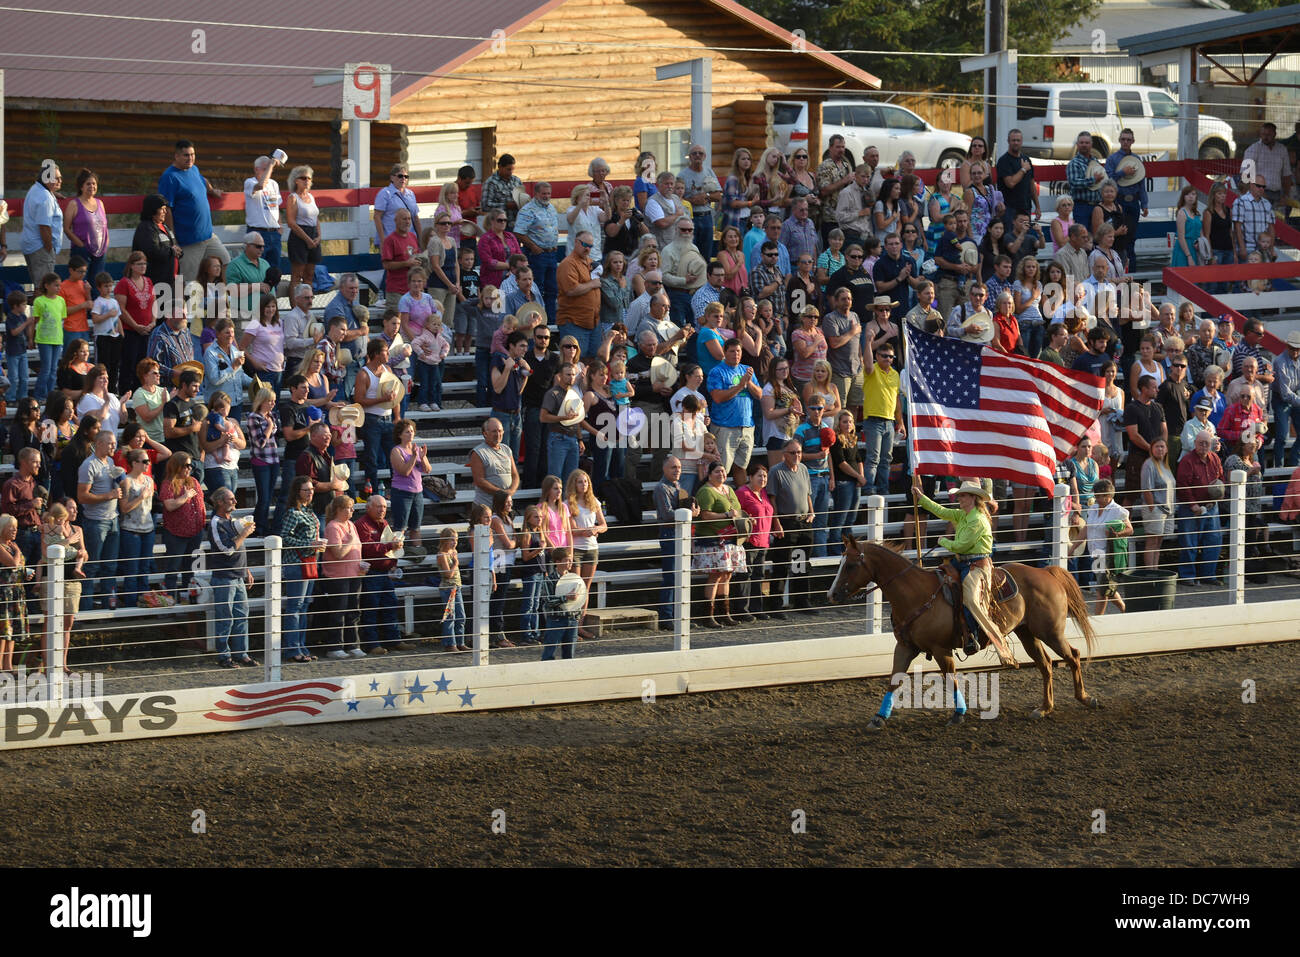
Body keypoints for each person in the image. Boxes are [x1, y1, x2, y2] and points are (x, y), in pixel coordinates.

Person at [910, 477, 1000, 656]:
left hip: (976, 563)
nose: (960, 499)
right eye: (959, 496)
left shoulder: (978, 520)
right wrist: (921, 498)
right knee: (937, 585)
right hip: (962, 561)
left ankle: (973, 635)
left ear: (973, 498)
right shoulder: (963, 514)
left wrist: (943, 541)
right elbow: (941, 511)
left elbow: (961, 546)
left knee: (970, 598)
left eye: (964, 496)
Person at [160, 140, 228, 288]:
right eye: (186, 155)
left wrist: (211, 190)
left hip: (208, 236)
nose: (190, 158)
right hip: (188, 241)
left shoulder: (194, 169)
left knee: (226, 262)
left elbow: (202, 180)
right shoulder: (169, 177)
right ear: (176, 156)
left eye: (192, 154)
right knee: (189, 281)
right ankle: (187, 310)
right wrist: (173, 239)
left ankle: (218, 303)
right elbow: (167, 209)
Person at [691, 460, 748, 628]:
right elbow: (705, 516)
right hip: (713, 540)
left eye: (723, 471)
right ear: (709, 474)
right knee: (715, 576)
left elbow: (736, 511)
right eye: (717, 472)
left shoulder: (729, 489)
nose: (721, 474)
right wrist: (726, 515)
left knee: (727, 575)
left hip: (731, 539)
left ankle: (725, 613)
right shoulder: (706, 491)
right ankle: (708, 615)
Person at [355, 495, 413, 656]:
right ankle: (372, 644)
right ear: (369, 508)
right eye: (378, 507)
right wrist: (390, 545)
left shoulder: (384, 524)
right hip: (371, 573)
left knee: (390, 606)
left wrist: (393, 564)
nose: (382, 510)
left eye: (384, 507)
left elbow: (387, 549)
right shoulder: (362, 525)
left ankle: (393, 640)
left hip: (384, 572)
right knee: (371, 609)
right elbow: (368, 550)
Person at [206, 487, 256, 668]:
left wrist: (246, 570)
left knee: (241, 616)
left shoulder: (231, 521)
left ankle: (241, 653)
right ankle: (224, 656)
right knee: (226, 618)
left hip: (236, 575)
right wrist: (243, 534)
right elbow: (227, 550)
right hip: (224, 577)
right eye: (231, 499)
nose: (235, 502)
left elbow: (239, 549)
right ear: (220, 502)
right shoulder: (215, 523)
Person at [76, 430, 122, 610]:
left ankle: (107, 607)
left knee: (110, 567)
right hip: (95, 522)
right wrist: (109, 495)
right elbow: (82, 497)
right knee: (92, 567)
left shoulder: (110, 462)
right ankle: (86, 610)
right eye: (110, 443)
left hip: (113, 519)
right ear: (99, 444)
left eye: (115, 443)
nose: (114, 446)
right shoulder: (88, 465)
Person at [767, 440, 815, 612]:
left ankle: (802, 601)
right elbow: (772, 499)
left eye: (799, 452)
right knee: (781, 564)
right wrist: (777, 522)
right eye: (793, 453)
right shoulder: (776, 471)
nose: (797, 456)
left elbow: (808, 494)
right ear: (784, 454)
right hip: (786, 522)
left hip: (804, 522)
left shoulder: (803, 469)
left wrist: (811, 511)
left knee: (801, 563)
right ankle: (775, 605)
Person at [39, 501, 86, 672]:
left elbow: (85, 551)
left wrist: (82, 555)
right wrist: (68, 541)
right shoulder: (48, 527)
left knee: (68, 623)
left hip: (71, 580)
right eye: (71, 507)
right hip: (50, 578)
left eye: (76, 507)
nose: (75, 510)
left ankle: (63, 664)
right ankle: (46, 664)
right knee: (49, 621)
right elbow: (46, 552)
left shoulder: (78, 530)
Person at [279, 475, 322, 663]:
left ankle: (301, 646)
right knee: (295, 607)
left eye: (311, 489)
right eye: (307, 490)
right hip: (296, 562)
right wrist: (309, 543)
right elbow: (284, 538)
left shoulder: (309, 512)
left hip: (309, 560)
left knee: (303, 607)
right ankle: (292, 648)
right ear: (298, 492)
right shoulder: (293, 513)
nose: (311, 493)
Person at [317, 494, 364, 659]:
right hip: (338, 576)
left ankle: (353, 644)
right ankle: (335, 645)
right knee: (339, 611)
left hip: (354, 573)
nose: (352, 510)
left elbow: (357, 549)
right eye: (348, 507)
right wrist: (350, 542)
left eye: (352, 507)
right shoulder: (333, 527)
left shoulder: (351, 524)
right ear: (339, 509)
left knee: (353, 610)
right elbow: (338, 553)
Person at [1176, 430, 1224, 587]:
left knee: (1213, 542)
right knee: (1189, 543)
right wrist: (1192, 504)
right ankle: (1187, 575)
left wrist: (1221, 492)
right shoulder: (1187, 461)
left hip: (1211, 506)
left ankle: (1208, 575)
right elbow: (1182, 486)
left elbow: (1220, 478)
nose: (1204, 446)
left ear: (1211, 445)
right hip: (1191, 508)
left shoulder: (1215, 458)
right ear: (1195, 444)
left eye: (1207, 443)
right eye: (1201, 443)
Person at [159, 453, 205, 603]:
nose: (189, 468)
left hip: (195, 532)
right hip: (175, 533)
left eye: (190, 465)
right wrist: (185, 497)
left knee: (190, 569)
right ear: (177, 466)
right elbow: (169, 505)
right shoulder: (168, 483)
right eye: (186, 465)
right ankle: (170, 600)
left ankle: (188, 599)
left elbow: (201, 503)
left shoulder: (194, 481)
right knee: (173, 569)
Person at [565, 471, 606, 641]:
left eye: (586, 482)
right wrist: (586, 531)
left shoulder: (594, 502)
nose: (584, 485)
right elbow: (572, 528)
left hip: (591, 548)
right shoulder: (568, 503)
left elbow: (604, 525)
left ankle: (580, 626)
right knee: (574, 588)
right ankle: (571, 626)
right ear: (574, 484)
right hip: (577, 548)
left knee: (586, 588)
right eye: (580, 482)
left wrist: (596, 529)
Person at [1081, 479, 1131, 615]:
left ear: (1108, 496)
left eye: (1098, 496)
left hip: (1108, 554)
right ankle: (1125, 609)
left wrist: (1117, 534)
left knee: (1102, 590)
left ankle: (1099, 619)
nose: (1095, 499)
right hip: (1096, 553)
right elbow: (1086, 529)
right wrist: (1073, 547)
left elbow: (1130, 529)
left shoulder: (1118, 511)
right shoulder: (1093, 509)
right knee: (1106, 586)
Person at [0, 514, 31, 675]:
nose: (14, 530)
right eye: (11, 527)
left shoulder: (12, 546)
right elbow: (12, 563)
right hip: (4, 594)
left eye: (16, 527)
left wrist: (26, 573)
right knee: (2, 631)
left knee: (11, 632)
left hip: (16, 592)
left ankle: (8, 666)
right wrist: (18, 551)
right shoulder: (2, 547)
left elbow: (18, 566)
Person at [1138, 438, 1176, 570]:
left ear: (1166, 450)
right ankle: (1149, 572)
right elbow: (1147, 489)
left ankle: (1155, 570)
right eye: (1157, 447)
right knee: (1152, 542)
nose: (1160, 449)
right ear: (1152, 449)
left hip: (1167, 509)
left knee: (1158, 543)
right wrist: (1152, 508)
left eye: (1162, 447)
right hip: (1155, 509)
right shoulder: (1149, 465)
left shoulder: (1165, 465)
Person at [243, 154, 284, 270]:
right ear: (256, 169)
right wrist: (272, 163)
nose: (269, 171)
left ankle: (272, 288)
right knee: (256, 268)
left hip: (273, 232)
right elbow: (260, 185)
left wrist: (279, 226)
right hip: (257, 232)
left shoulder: (274, 184)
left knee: (274, 269)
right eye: (265, 169)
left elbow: (276, 206)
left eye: (270, 169)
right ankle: (258, 289)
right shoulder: (249, 182)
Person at [284, 165, 321, 291]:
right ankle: (295, 307)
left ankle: (306, 305)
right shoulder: (293, 198)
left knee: (309, 275)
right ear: (296, 180)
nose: (307, 181)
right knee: (297, 275)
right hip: (299, 236)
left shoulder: (311, 197)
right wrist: (307, 240)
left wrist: (319, 237)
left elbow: (316, 218)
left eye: (309, 178)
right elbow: (291, 223)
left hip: (313, 234)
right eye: (303, 178)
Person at [1243, 121, 1293, 207]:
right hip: (1258, 194)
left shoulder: (1282, 150)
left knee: (1277, 219)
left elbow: (1286, 175)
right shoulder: (1252, 149)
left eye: (1268, 135)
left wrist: (1286, 195)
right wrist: (1256, 192)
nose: (1265, 137)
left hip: (1278, 194)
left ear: (1275, 134)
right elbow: (1244, 176)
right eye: (1263, 134)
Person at [1271, 330, 1300, 470]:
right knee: (1281, 436)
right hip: (1281, 399)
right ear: (1287, 346)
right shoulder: (1279, 362)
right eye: (1292, 348)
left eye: (1297, 348)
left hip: (1294, 395)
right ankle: (1279, 469)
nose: (1295, 351)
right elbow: (1285, 393)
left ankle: (1294, 465)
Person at [372, 163, 421, 247]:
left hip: (410, 239)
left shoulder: (411, 194)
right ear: (392, 177)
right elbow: (377, 217)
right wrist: (383, 241)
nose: (403, 179)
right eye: (400, 176)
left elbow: (415, 217)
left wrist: (420, 238)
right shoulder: (384, 193)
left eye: (406, 176)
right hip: (391, 240)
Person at [1232, 177, 1274, 262]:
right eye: (1258, 186)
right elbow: (1237, 227)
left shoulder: (1267, 204)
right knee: (1246, 275)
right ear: (1251, 185)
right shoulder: (1240, 201)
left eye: (1263, 187)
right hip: (1248, 248)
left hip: (1264, 250)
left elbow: (1271, 227)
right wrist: (1242, 247)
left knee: (1263, 275)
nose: (1261, 189)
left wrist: (1271, 249)